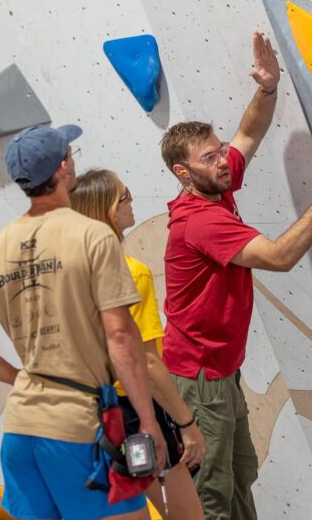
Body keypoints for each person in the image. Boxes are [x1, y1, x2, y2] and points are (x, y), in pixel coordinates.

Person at [158, 31, 312, 519]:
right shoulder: (200, 220)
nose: (223, 161)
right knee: (210, 494)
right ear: (182, 172)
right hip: (198, 377)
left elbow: (248, 134)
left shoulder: (216, 187)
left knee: (240, 476)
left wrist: (268, 88)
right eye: (209, 157)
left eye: (217, 151)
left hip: (220, 370)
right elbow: (278, 257)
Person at [0, 125, 166, 520]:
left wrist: (17, 376)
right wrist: (148, 421)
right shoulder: (92, 236)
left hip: (21, 431)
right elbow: (121, 337)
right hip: (77, 430)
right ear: (64, 169)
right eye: (70, 154)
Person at [70, 168, 205, 520]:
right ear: (109, 211)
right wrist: (187, 424)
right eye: (125, 195)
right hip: (132, 413)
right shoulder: (130, 272)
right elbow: (146, 364)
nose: (132, 203)